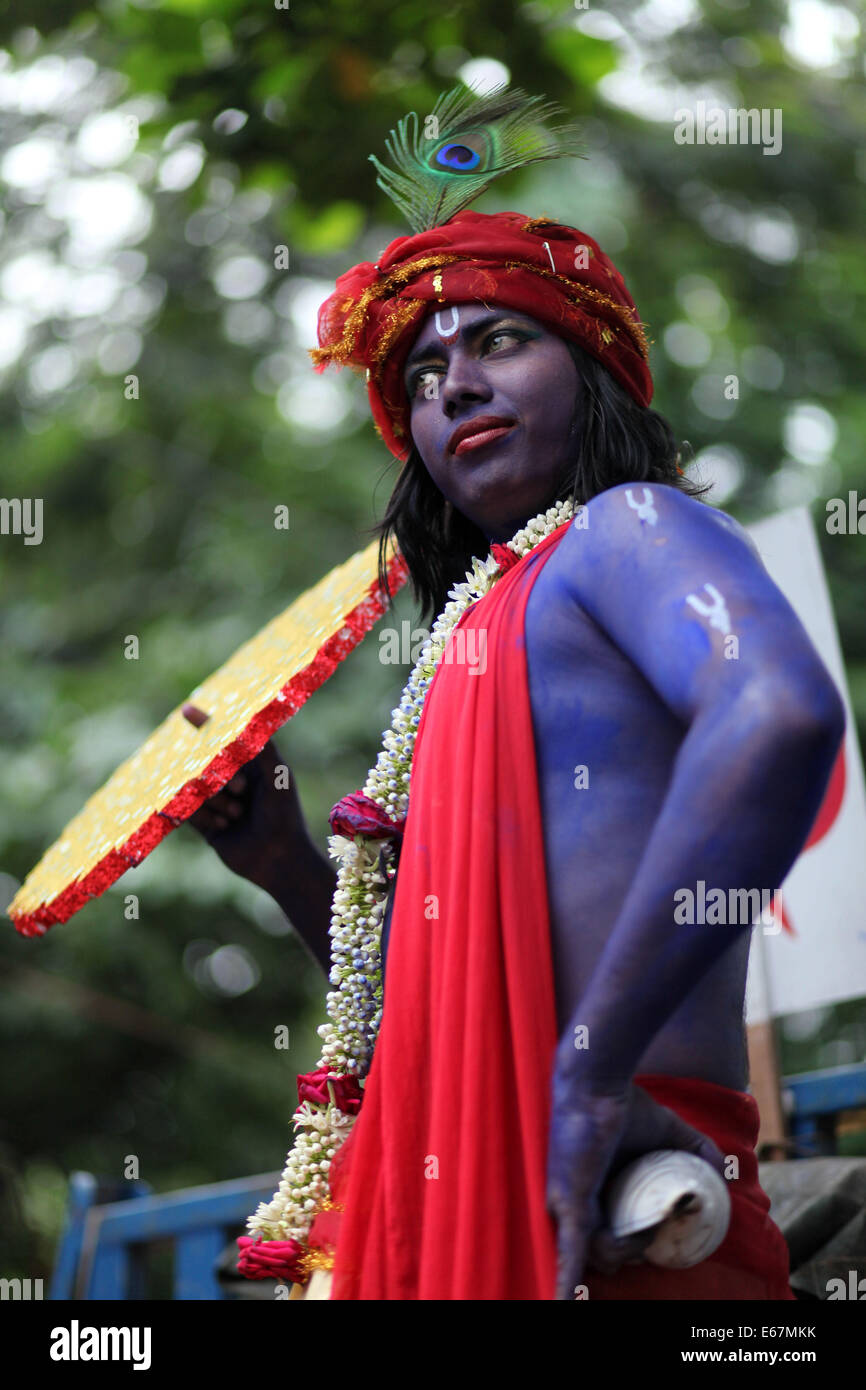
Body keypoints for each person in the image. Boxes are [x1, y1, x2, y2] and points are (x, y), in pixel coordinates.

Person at [185, 90, 845, 1300]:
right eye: (425, 371)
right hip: (476, 1205)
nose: (454, 386)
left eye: (498, 343)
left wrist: (589, 1070)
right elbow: (453, 1027)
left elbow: (778, 717)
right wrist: (286, 865)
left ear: (590, 375)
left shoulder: (625, 529)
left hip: (635, 1218)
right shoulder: (466, 643)